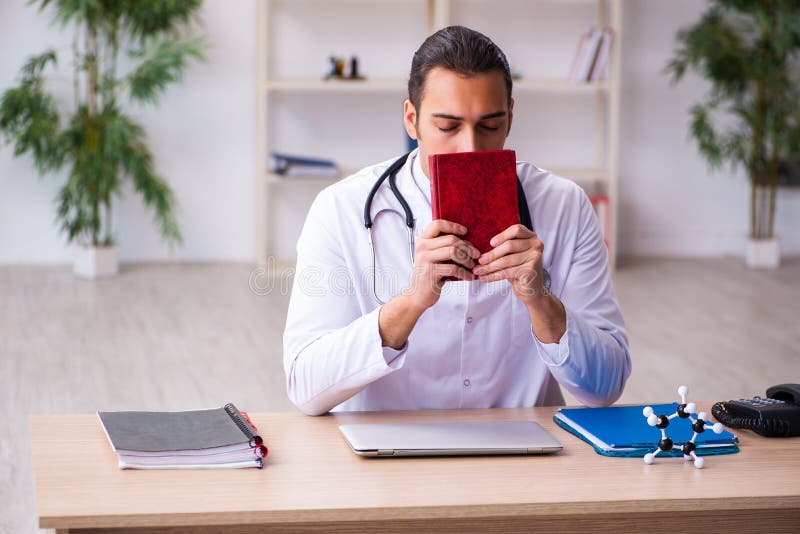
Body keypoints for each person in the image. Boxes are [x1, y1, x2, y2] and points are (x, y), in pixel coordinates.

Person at [283, 26, 631, 416]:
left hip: (524, 459)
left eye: (490, 126)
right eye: (448, 127)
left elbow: (605, 388)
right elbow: (306, 387)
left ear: (511, 117)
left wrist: (541, 301)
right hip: (389, 458)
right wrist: (411, 303)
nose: (470, 148)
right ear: (411, 120)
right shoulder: (340, 209)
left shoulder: (565, 205)